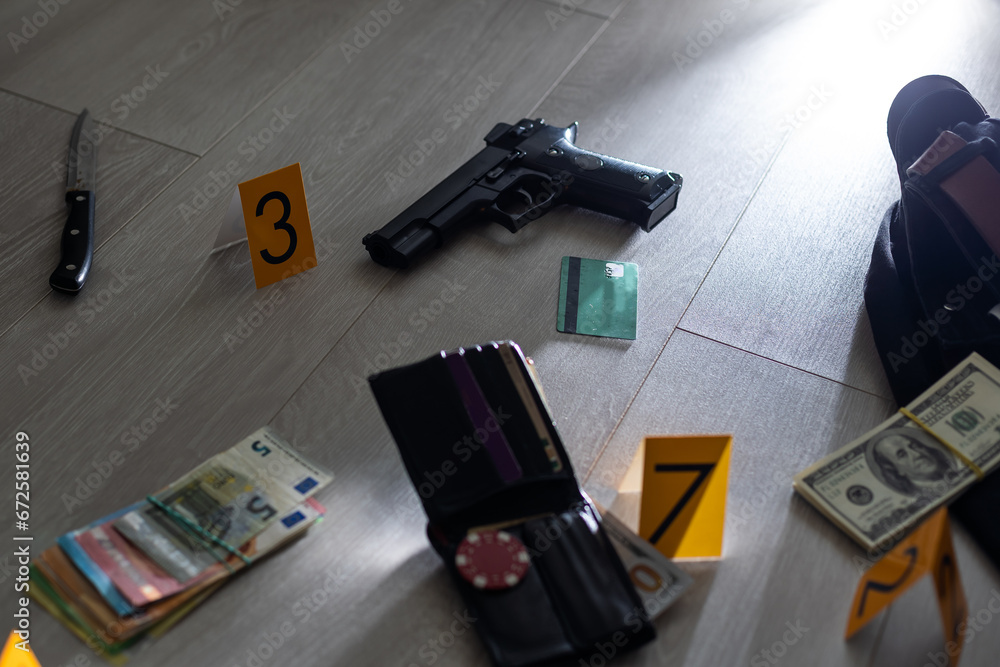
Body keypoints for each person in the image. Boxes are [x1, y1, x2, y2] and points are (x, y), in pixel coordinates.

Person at [865, 429, 959, 497]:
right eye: (902, 455)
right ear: (895, 469)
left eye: (914, 446)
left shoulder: (952, 465)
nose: (917, 454)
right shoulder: (913, 494)